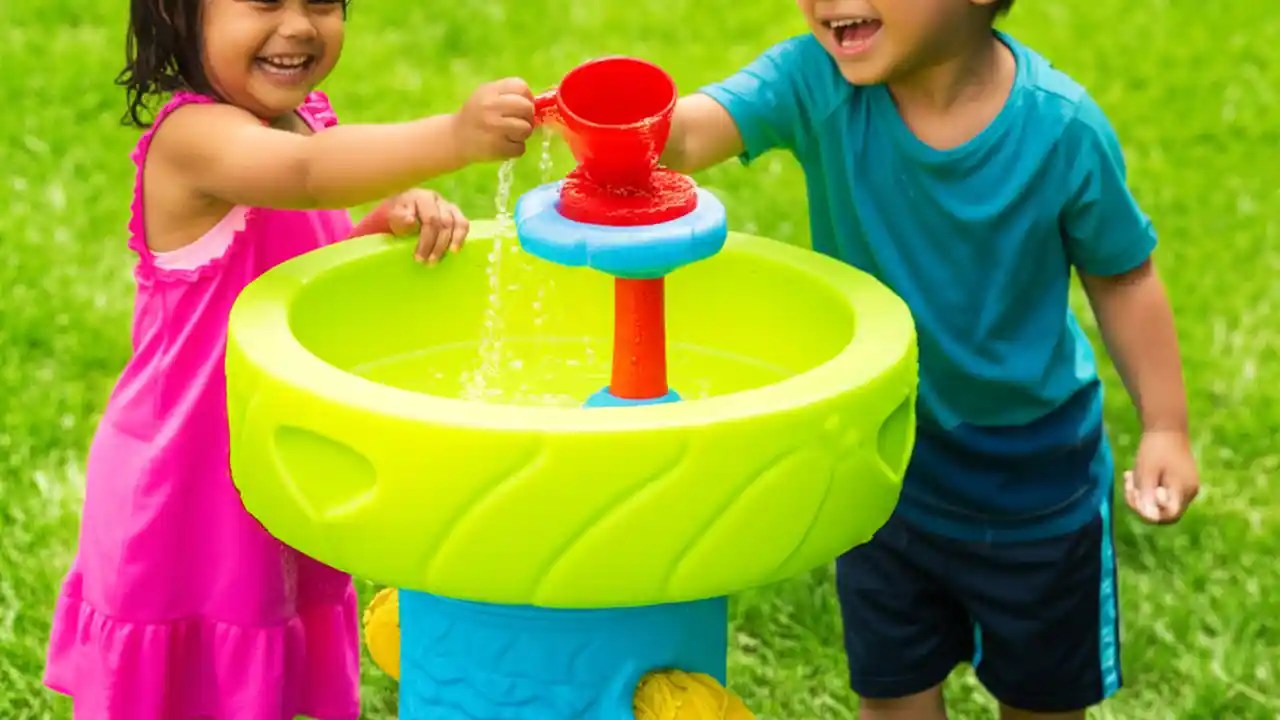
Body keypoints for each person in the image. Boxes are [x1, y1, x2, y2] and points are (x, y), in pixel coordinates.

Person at [658, 1, 1200, 718]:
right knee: (892, 696)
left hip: (1036, 483)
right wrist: (619, 120)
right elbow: (688, 137)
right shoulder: (814, 81)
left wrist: (1165, 425)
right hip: (884, 467)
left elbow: (1124, 276)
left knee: (1043, 703)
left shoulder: (1060, 129)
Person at [42, 1, 537, 717]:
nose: (301, 25)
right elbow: (306, 175)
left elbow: (301, 263)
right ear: (179, 16)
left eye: (322, 3)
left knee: (262, 665)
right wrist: (455, 138)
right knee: (187, 687)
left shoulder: (306, 121)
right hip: (186, 488)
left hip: (275, 462)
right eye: (265, 1)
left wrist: (377, 226)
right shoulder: (193, 137)